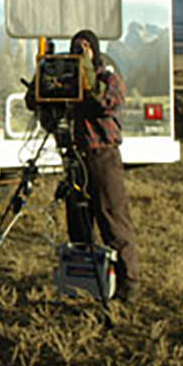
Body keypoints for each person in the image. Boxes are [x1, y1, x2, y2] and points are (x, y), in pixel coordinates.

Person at [66, 29, 140, 301]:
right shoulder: (71, 80)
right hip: (77, 157)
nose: (78, 50)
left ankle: (128, 281)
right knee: (79, 223)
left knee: (112, 219)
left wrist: (86, 67)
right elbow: (42, 104)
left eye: (84, 47)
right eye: (75, 46)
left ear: (94, 50)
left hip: (103, 155)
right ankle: (86, 279)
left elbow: (103, 102)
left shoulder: (107, 77)